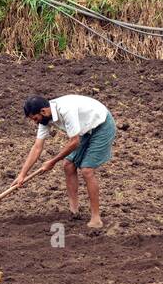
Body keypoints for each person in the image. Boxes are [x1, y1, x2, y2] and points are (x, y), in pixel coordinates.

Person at [14, 94, 117, 228]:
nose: (35, 122)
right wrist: (22, 174)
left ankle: (96, 218)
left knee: (87, 170)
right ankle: (74, 212)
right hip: (85, 130)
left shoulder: (66, 110)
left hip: (102, 125)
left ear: (43, 111)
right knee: (68, 165)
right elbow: (37, 147)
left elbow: (74, 142)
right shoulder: (45, 118)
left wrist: (53, 161)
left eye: (35, 118)